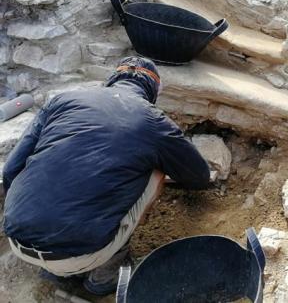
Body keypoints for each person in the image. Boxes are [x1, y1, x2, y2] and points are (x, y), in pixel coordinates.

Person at [2, 56, 211, 296]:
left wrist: (33, 215)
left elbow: (11, 169)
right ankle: (104, 276)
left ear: (112, 80)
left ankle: (58, 271)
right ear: (153, 92)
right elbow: (199, 176)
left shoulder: (63, 100)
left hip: (17, 238)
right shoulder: (154, 121)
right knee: (156, 170)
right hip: (83, 252)